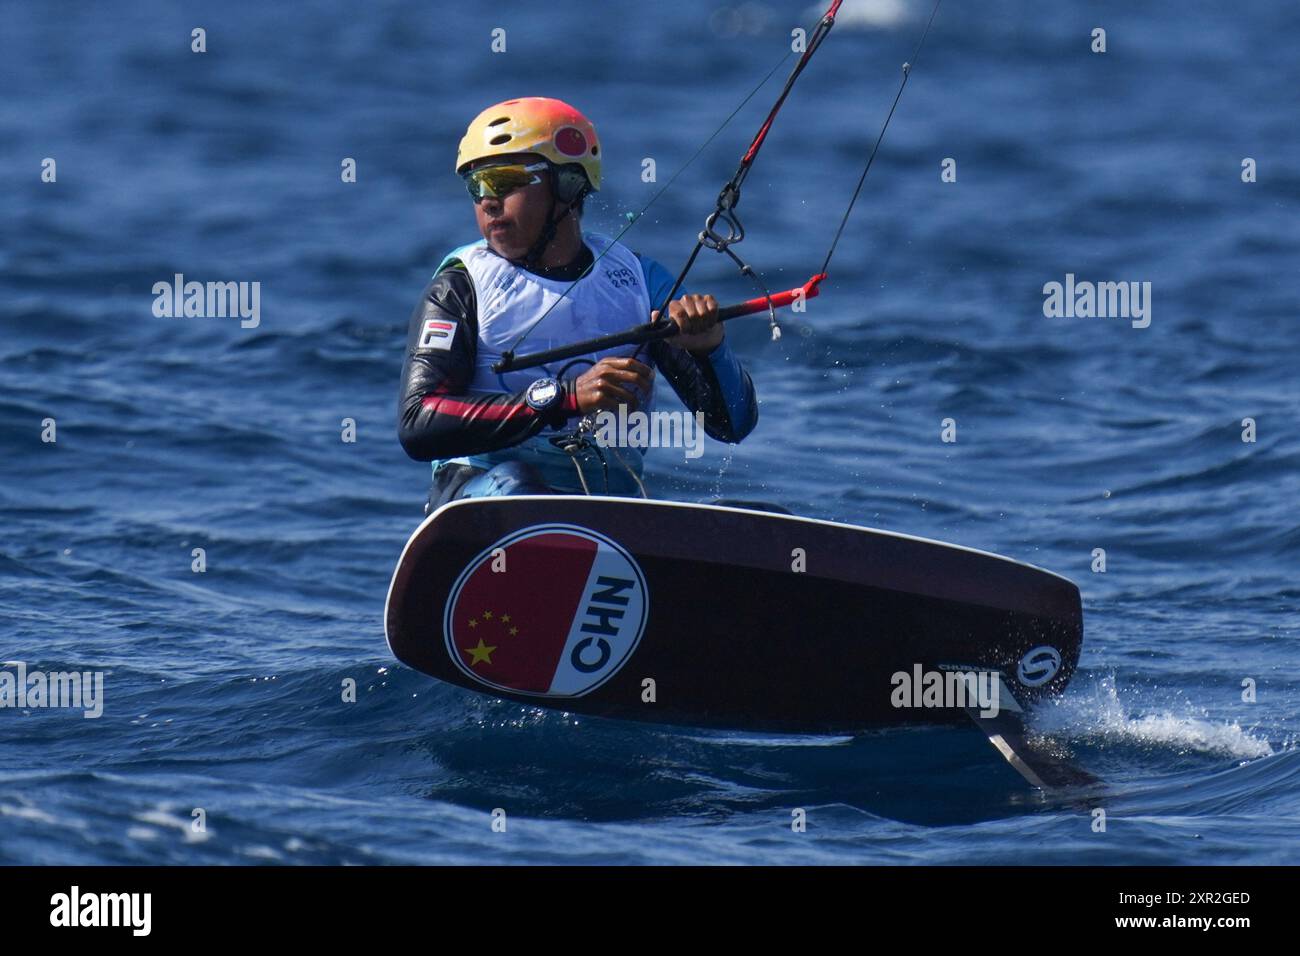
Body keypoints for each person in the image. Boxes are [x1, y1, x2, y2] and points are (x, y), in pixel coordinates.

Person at [397, 97, 758, 512]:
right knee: (519, 486)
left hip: (607, 511)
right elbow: (418, 424)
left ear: (568, 185)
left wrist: (711, 351)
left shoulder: (640, 280)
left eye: (506, 180)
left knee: (760, 521)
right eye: (476, 185)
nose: (488, 201)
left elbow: (732, 425)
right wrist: (564, 398)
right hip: (484, 498)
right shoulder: (460, 287)